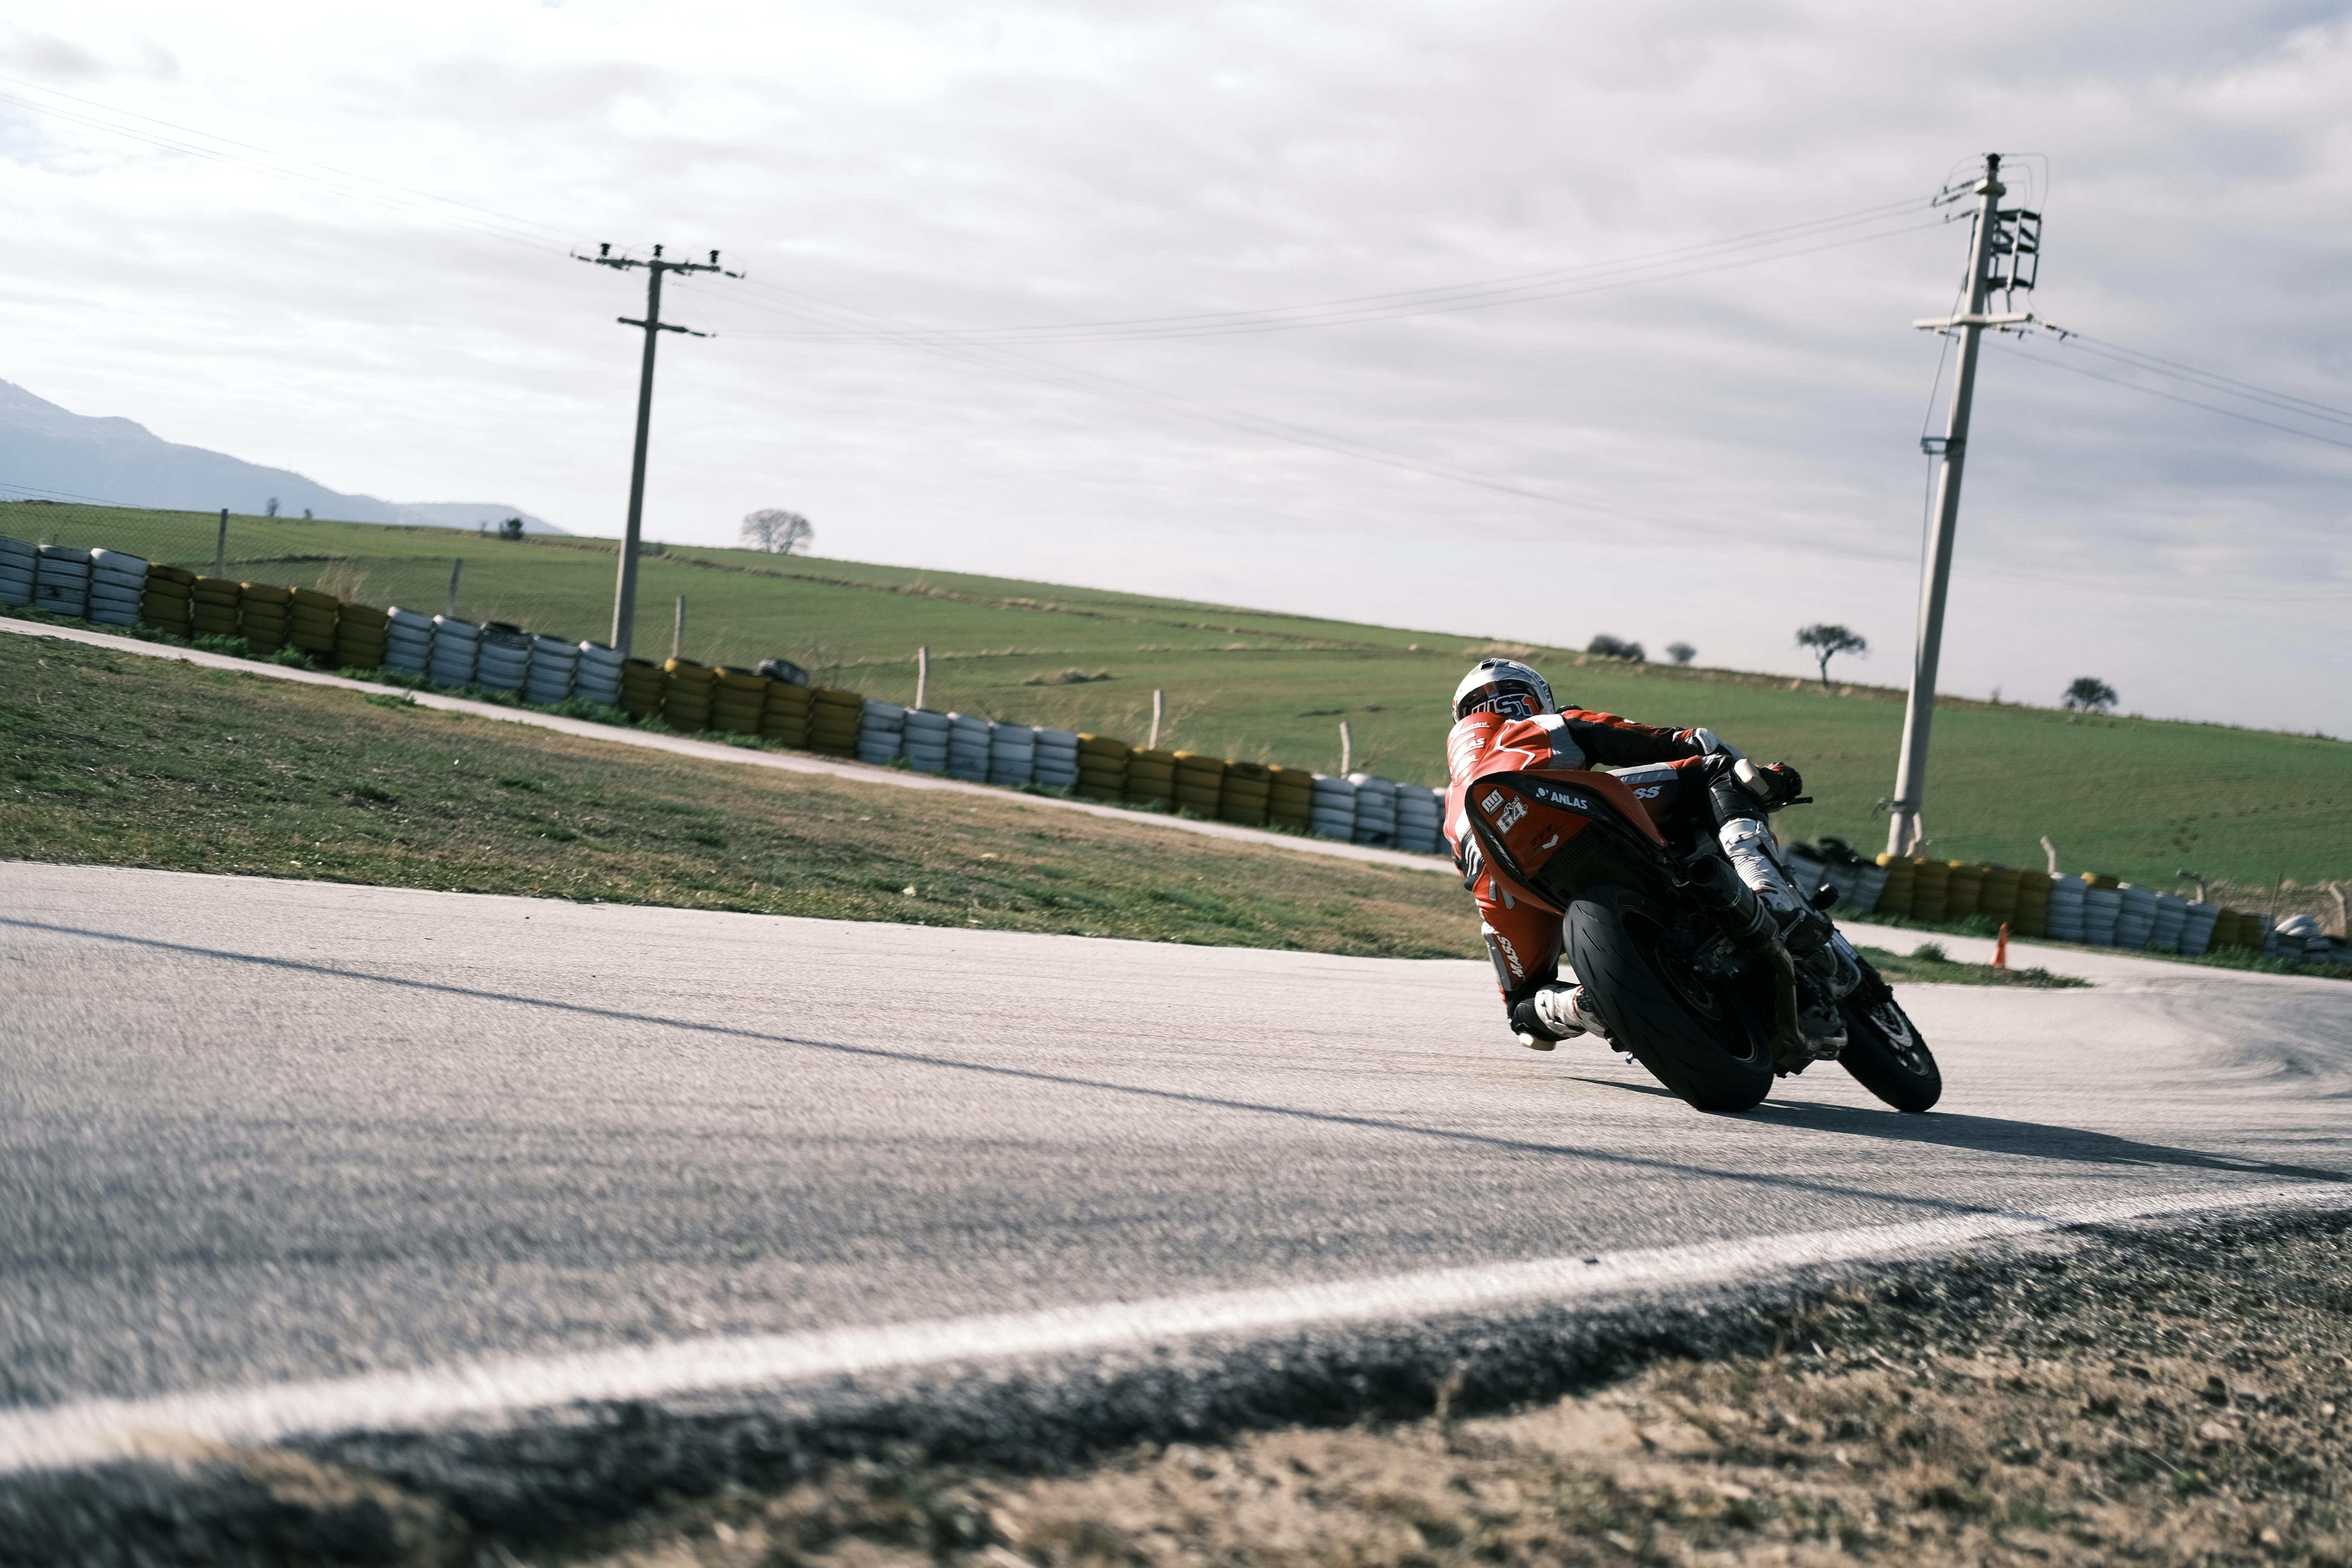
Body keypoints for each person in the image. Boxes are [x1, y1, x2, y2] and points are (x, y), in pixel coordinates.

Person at [1440, 657, 1838, 1055]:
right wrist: (1760, 778)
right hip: (1561, 802)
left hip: (1497, 870)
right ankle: (1765, 888)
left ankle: (1580, 1005)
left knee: (1522, 1006)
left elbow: (1465, 868)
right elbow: (1681, 742)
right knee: (1716, 770)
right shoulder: (1546, 724)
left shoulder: (1453, 800)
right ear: (1534, 698)